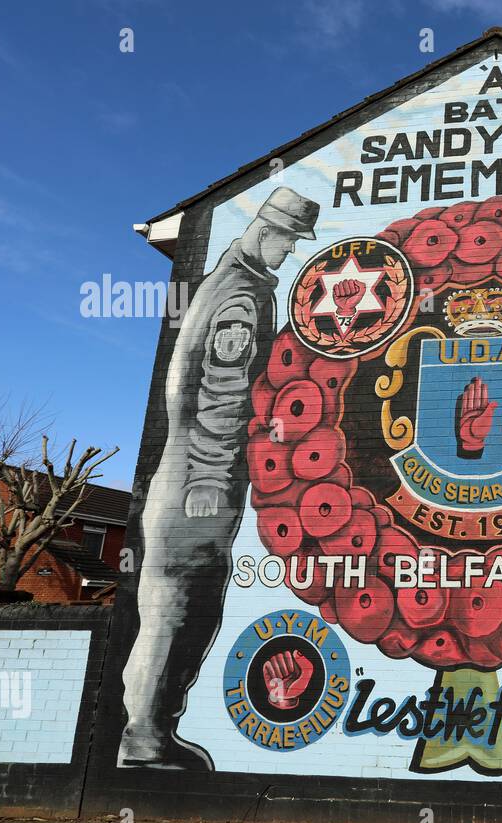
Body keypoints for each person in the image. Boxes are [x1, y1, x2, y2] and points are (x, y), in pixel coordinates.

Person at [118, 187, 319, 769]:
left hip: (185, 474)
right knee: (184, 603)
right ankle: (145, 736)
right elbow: (219, 397)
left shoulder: (231, 281)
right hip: (200, 479)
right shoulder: (240, 296)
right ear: (263, 230)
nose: (287, 252)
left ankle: (149, 730)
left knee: (181, 599)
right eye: (284, 239)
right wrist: (208, 480)